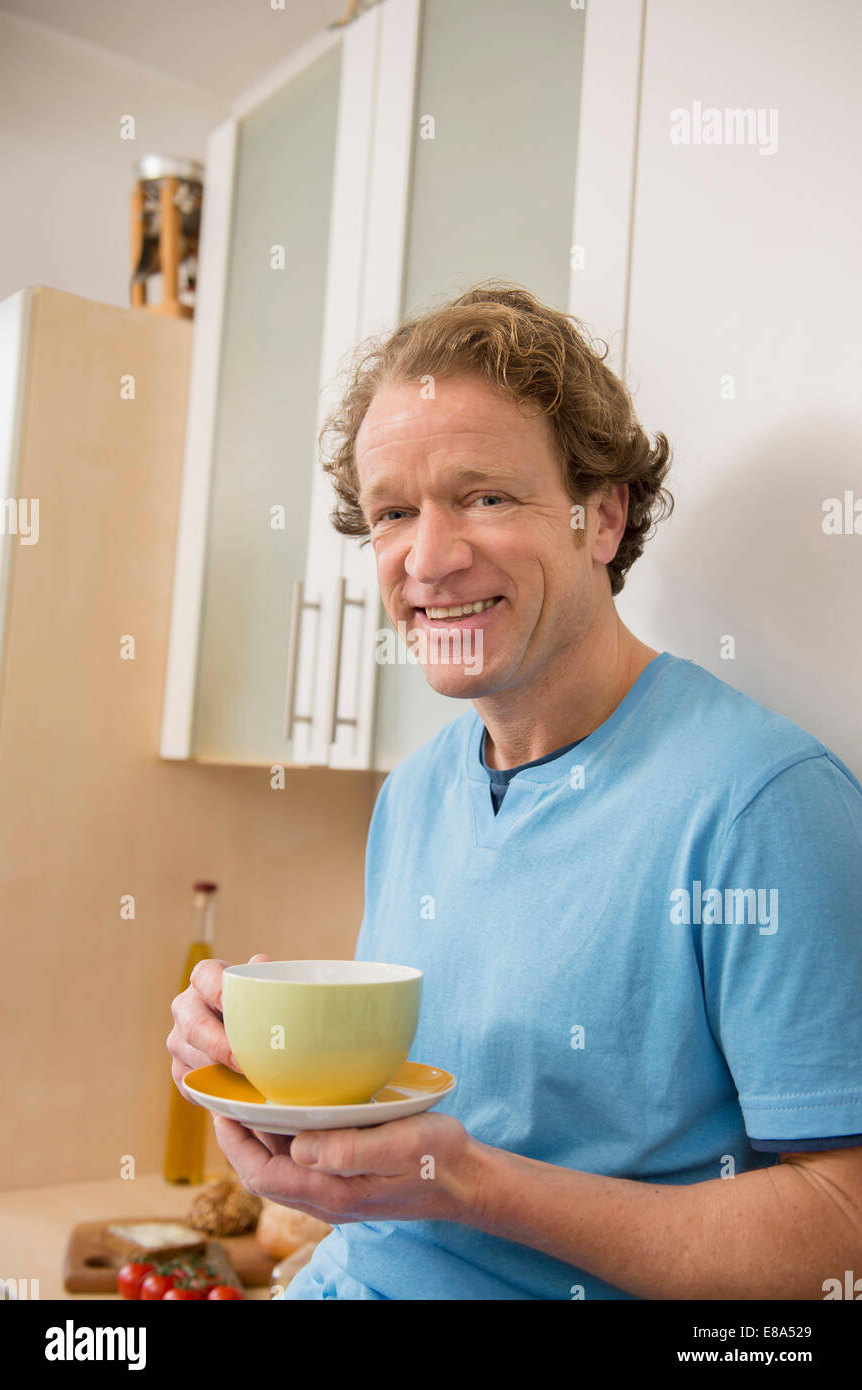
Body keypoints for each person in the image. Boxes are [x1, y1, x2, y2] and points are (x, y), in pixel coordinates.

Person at [168, 283, 862, 1299]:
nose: (430, 558)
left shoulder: (762, 804)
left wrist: (467, 1185)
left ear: (604, 515)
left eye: (486, 496)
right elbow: (418, 1129)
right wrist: (263, 1066)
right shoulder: (413, 796)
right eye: (394, 512)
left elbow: (842, 1229)